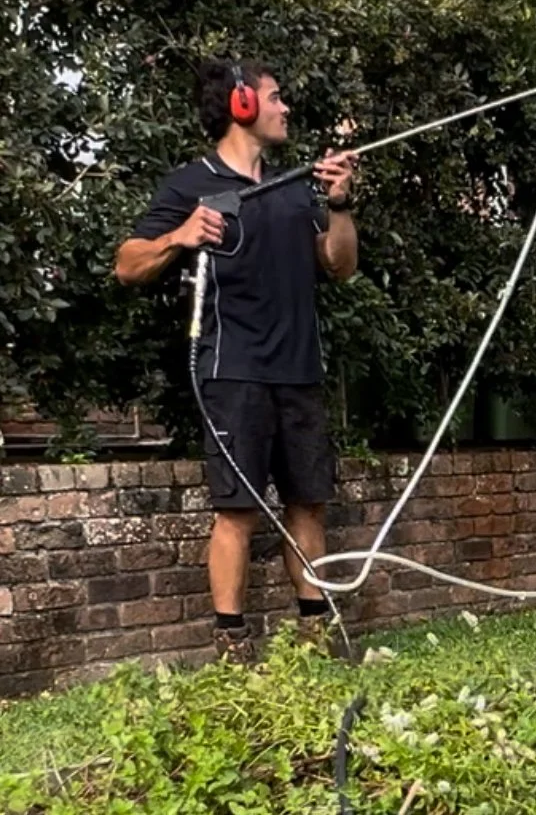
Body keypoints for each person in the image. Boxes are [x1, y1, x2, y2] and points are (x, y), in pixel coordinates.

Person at [115, 59, 358, 663]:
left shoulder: (297, 187)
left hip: (300, 370)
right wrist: (179, 236)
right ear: (242, 104)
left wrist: (340, 203)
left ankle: (314, 633)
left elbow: (340, 264)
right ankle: (231, 642)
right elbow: (127, 264)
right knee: (237, 511)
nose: (287, 109)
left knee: (308, 503)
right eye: (277, 98)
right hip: (232, 371)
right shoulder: (191, 184)